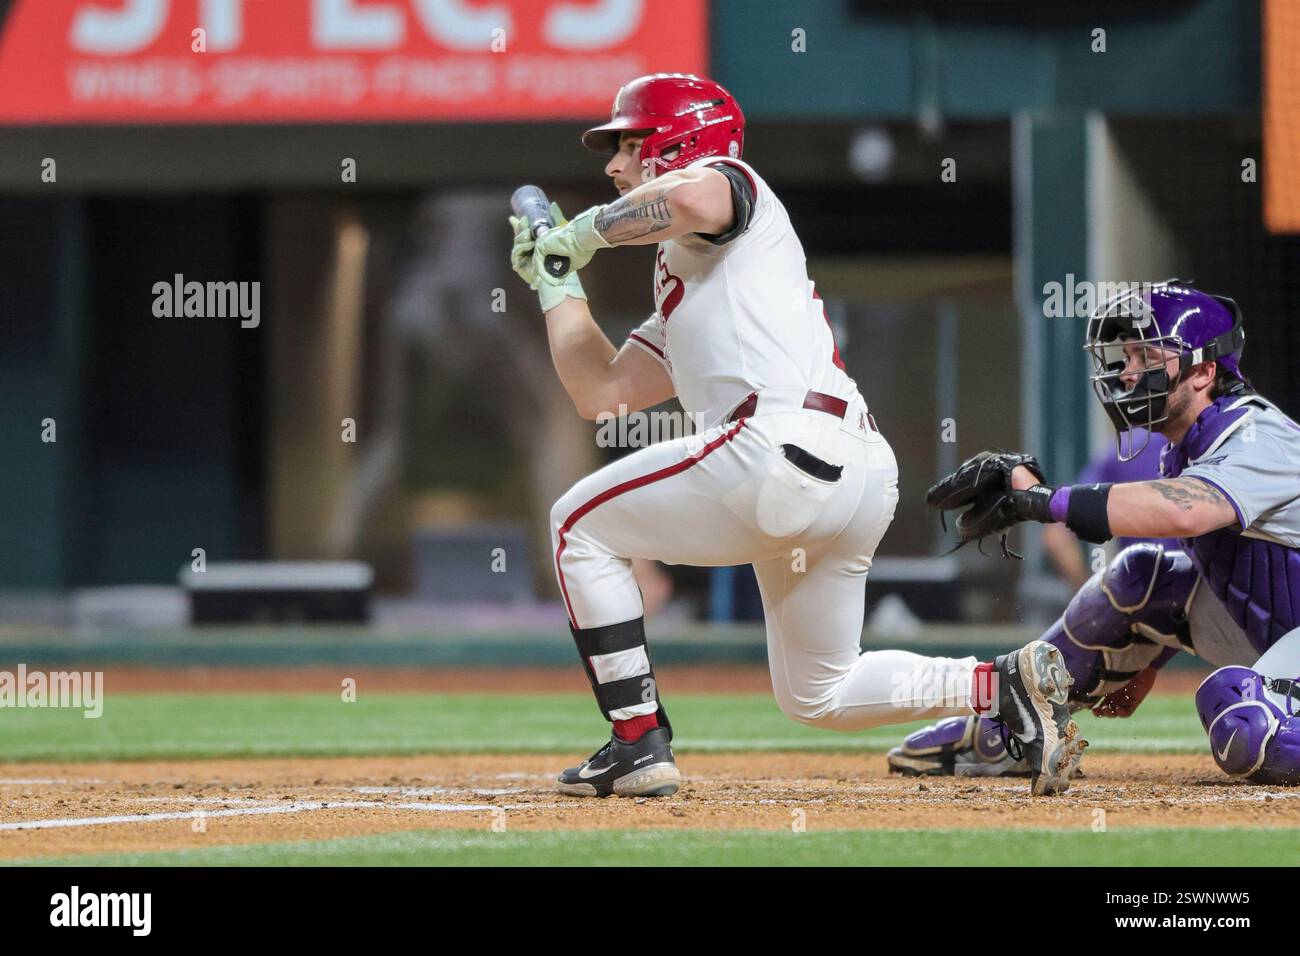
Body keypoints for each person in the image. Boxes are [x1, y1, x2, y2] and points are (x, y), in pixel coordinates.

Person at [507, 73, 1084, 799]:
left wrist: (582, 232)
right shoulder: (691, 276)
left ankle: (635, 741)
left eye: (629, 144)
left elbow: (688, 198)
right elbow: (604, 392)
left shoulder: (729, 183)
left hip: (780, 449)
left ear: (680, 141)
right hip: (848, 469)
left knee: (576, 526)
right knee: (819, 691)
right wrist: (557, 284)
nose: (614, 165)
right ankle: (1002, 685)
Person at [889, 281, 1300, 785]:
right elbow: (1227, 566)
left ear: (1205, 370)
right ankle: (1013, 728)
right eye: (1126, 356)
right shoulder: (1190, 446)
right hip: (1285, 629)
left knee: (1241, 720)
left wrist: (1042, 501)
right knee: (1139, 577)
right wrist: (1150, 654)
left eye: (1147, 355)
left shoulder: (1258, 435)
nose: (1128, 372)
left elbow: (1187, 513)